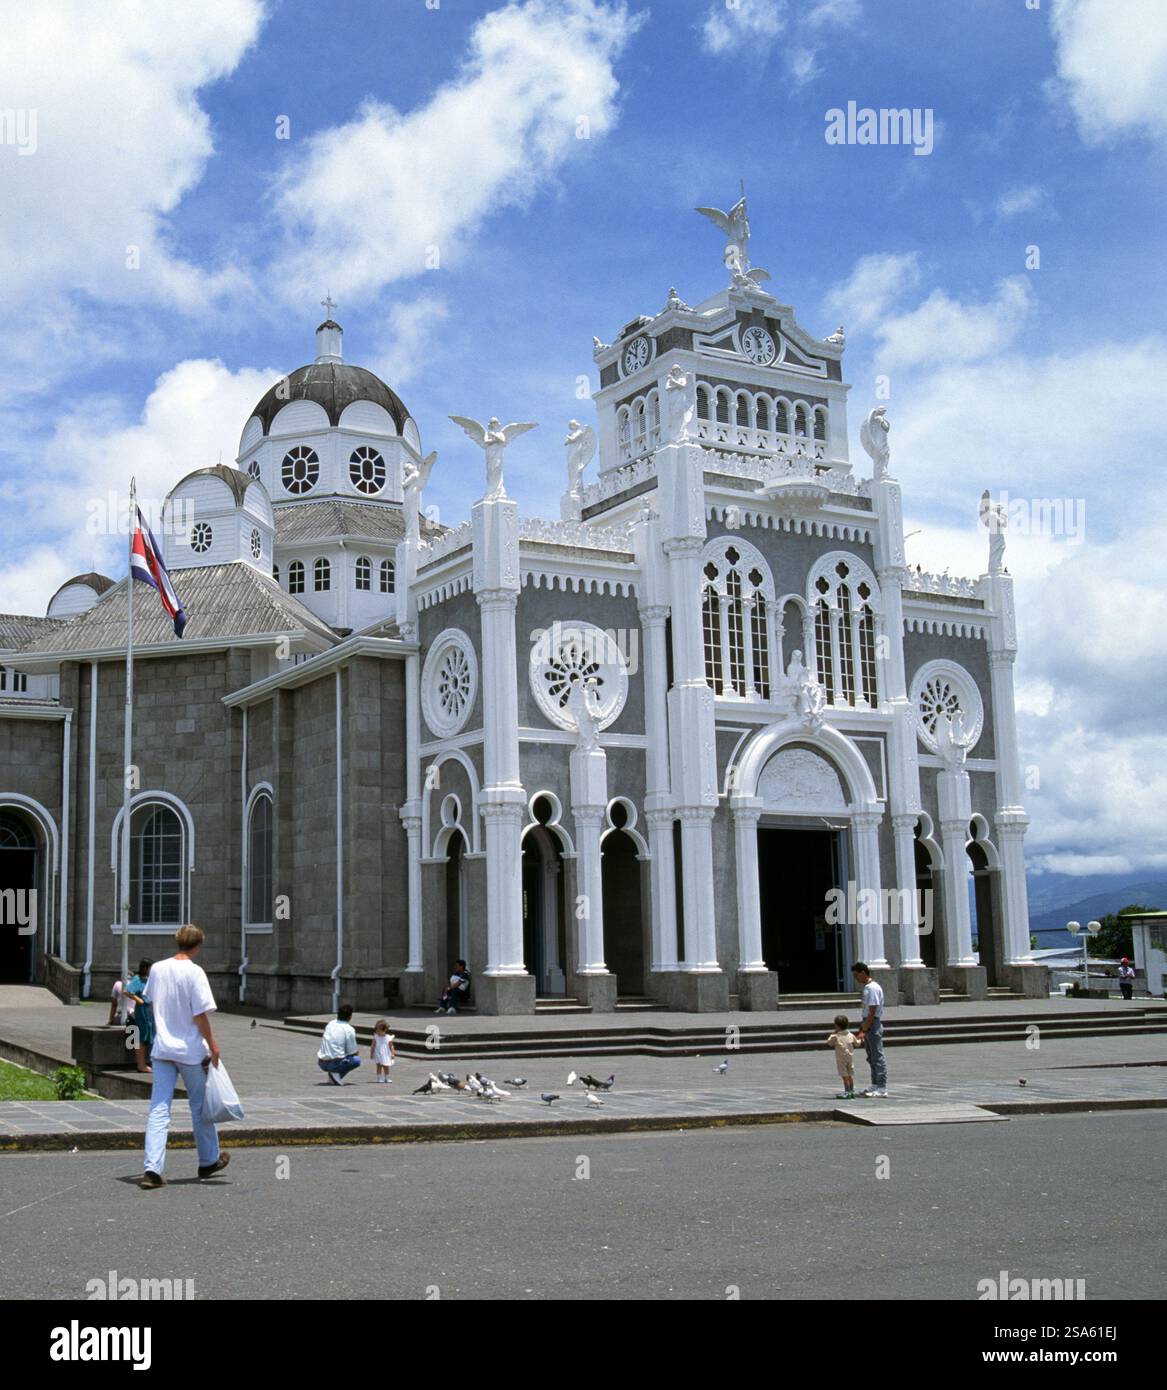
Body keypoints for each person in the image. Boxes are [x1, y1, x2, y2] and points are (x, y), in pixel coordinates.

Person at [139, 924, 227, 1190]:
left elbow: (152, 1002)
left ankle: (152, 1168)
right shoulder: (195, 972)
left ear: (178, 942)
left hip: (162, 1049)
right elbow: (200, 1015)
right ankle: (208, 1159)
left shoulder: (157, 968)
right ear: (197, 946)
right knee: (200, 1107)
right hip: (188, 1051)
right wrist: (213, 1045)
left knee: (159, 1108)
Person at [852, 962, 887, 1098]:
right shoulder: (868, 987)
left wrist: (864, 1028)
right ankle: (875, 1084)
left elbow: (872, 1011)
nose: (856, 978)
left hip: (872, 1023)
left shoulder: (872, 988)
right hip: (868, 1022)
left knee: (877, 1056)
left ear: (863, 973)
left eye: (856, 975)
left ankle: (882, 1086)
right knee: (871, 1056)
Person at [317, 1004, 361, 1085]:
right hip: (335, 1063)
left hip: (321, 1062)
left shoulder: (330, 1024)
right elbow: (352, 1052)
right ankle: (336, 1075)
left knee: (341, 1053)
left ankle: (333, 1077)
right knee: (356, 1060)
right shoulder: (349, 1029)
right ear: (350, 1017)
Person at [126, 958, 154, 1073]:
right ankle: (141, 1064)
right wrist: (139, 1000)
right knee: (141, 1037)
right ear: (145, 968)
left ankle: (149, 1062)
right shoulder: (137, 979)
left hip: (149, 1010)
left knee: (149, 1036)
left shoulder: (148, 980)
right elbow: (127, 991)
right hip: (142, 1011)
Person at [826, 1014, 859, 1099]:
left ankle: (847, 1092)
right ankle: (851, 1092)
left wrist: (833, 1033)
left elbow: (829, 1043)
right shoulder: (851, 1035)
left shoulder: (836, 1036)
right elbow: (857, 1043)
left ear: (836, 1026)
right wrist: (860, 1039)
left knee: (844, 1076)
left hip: (841, 1059)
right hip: (850, 1058)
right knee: (850, 1075)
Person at [370, 1019, 396, 1083]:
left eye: (378, 1030)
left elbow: (391, 1046)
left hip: (386, 1054)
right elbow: (372, 1046)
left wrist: (392, 1053)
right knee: (379, 1066)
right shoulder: (376, 1037)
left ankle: (387, 1078)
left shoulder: (388, 1037)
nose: (377, 1031)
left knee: (386, 1066)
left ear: (384, 1030)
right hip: (378, 1053)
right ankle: (379, 1078)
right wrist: (372, 1053)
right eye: (376, 1030)